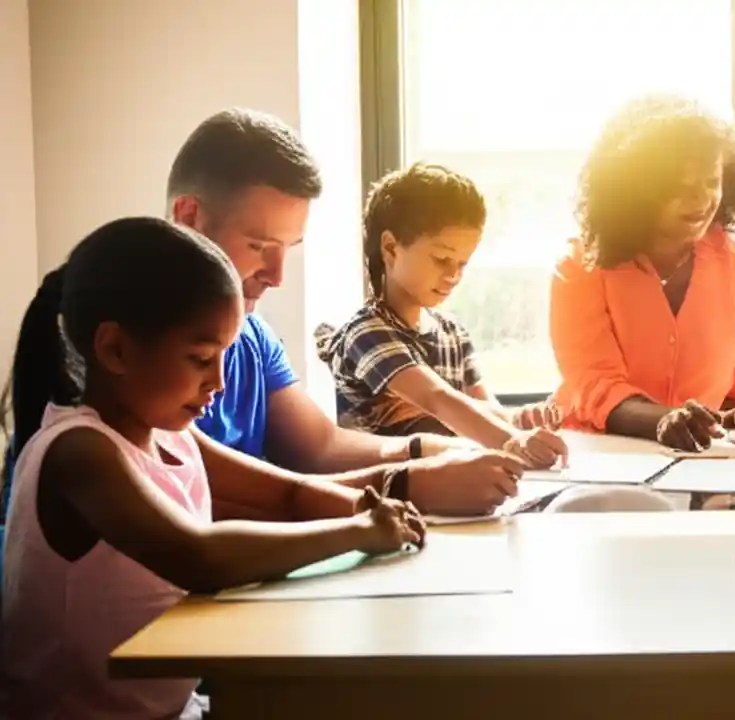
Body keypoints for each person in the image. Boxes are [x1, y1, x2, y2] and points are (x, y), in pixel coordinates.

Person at [0, 218, 424, 719]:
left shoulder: (174, 435)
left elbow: (288, 495)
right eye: (201, 358)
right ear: (115, 349)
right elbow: (197, 558)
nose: (218, 381)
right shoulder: (80, 454)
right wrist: (356, 532)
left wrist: (374, 510)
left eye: (224, 354)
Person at [165, 108, 522, 514]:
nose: (277, 276)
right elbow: (207, 492)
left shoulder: (254, 335)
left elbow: (320, 447)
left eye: (288, 249)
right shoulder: (140, 342)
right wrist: (405, 483)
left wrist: (427, 449)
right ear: (189, 217)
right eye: (258, 246)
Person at [549, 94, 735, 452]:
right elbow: (593, 382)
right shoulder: (580, 265)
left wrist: (723, 424)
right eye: (679, 188)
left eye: (711, 182)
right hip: (599, 456)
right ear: (634, 191)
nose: (700, 201)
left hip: (706, 458)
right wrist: (664, 420)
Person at [315, 162, 568, 468]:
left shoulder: (453, 333)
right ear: (391, 248)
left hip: (463, 488)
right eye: (442, 259)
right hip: (394, 494)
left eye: (463, 263)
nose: (453, 275)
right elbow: (436, 398)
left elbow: (483, 409)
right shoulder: (365, 333)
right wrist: (512, 442)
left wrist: (522, 419)